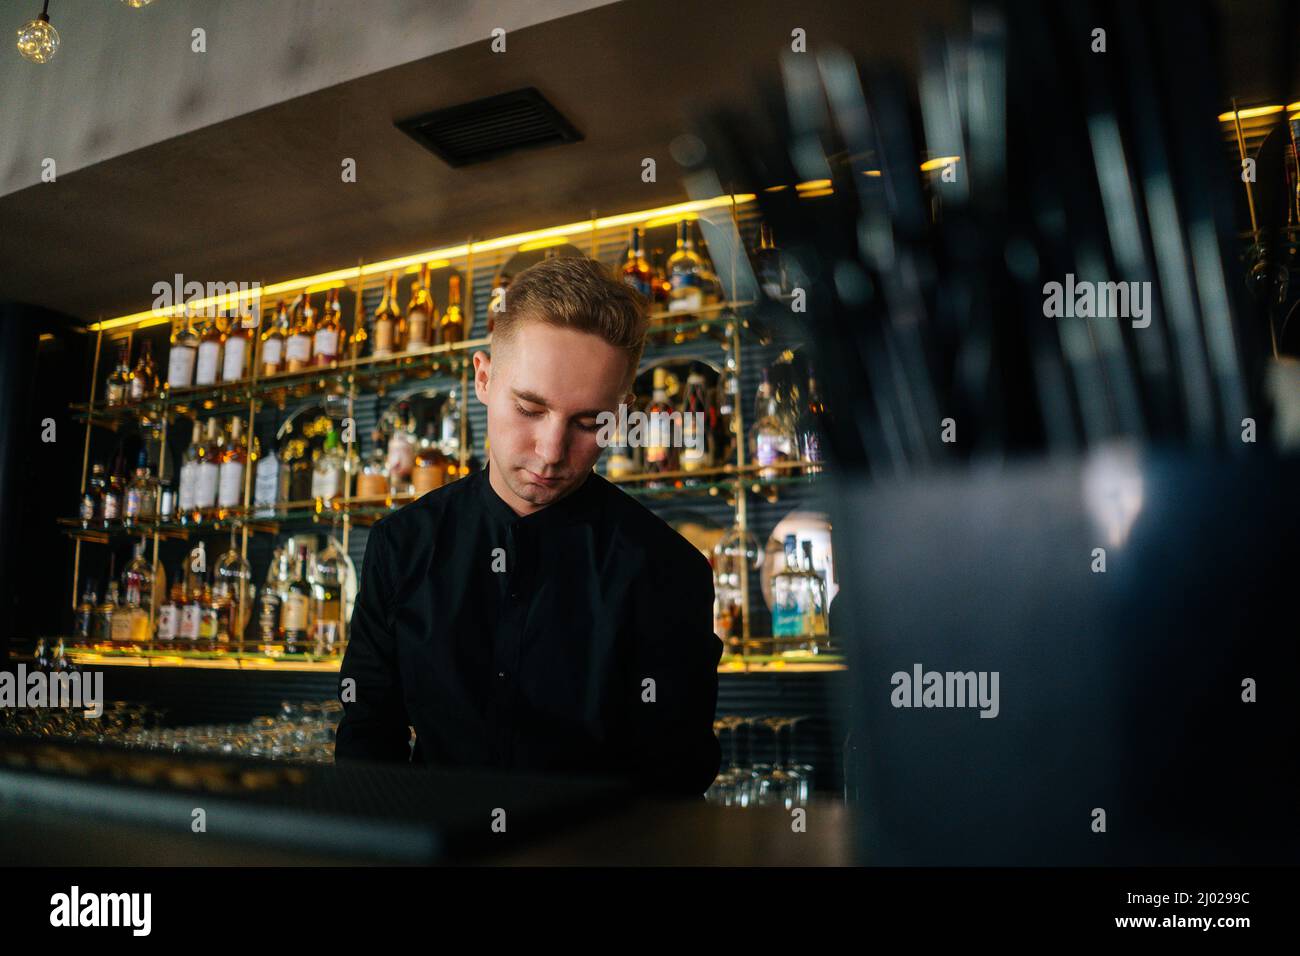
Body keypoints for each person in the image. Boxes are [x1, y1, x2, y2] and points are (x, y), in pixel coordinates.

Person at [335, 255, 722, 798]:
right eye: (529, 408)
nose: (551, 452)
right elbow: (367, 740)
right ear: (484, 379)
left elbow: (675, 780)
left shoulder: (668, 570)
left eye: (589, 423)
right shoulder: (401, 544)